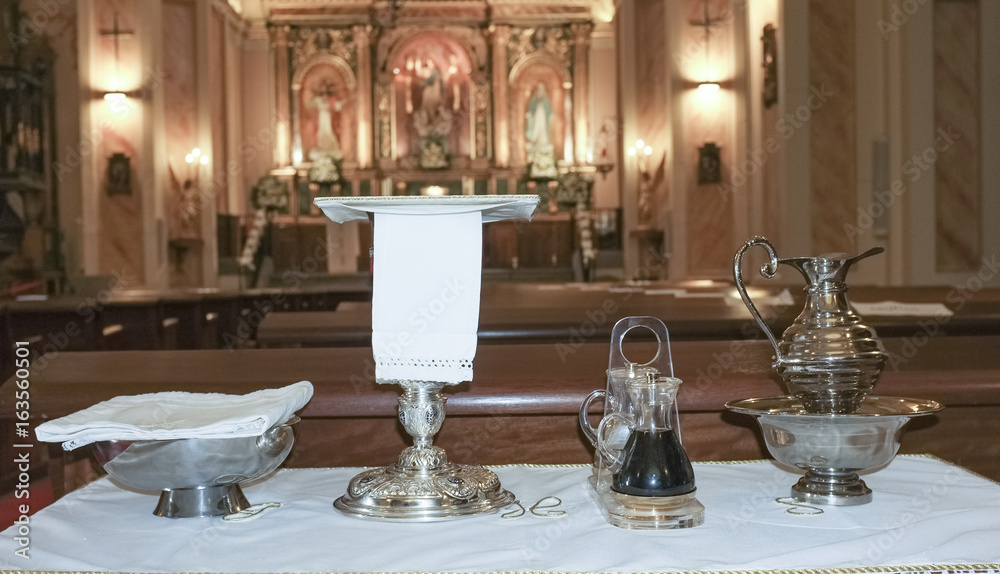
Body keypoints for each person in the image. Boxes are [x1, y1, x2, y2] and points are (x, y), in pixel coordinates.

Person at [308, 82, 342, 160]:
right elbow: (309, 105)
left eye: (325, 88)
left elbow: (337, 106)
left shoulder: (331, 99)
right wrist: (313, 96)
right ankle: (322, 146)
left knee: (329, 131)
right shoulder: (317, 99)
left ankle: (330, 146)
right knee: (321, 132)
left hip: (328, 117)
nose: (324, 90)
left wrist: (342, 103)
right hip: (320, 118)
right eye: (322, 88)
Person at [526, 83, 552, 148]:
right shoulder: (534, 99)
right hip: (536, 117)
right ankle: (534, 140)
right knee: (536, 127)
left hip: (543, 117)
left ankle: (544, 141)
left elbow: (549, 110)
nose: (540, 92)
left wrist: (550, 115)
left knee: (543, 127)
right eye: (539, 90)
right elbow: (531, 109)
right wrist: (530, 114)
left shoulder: (545, 100)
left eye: (541, 90)